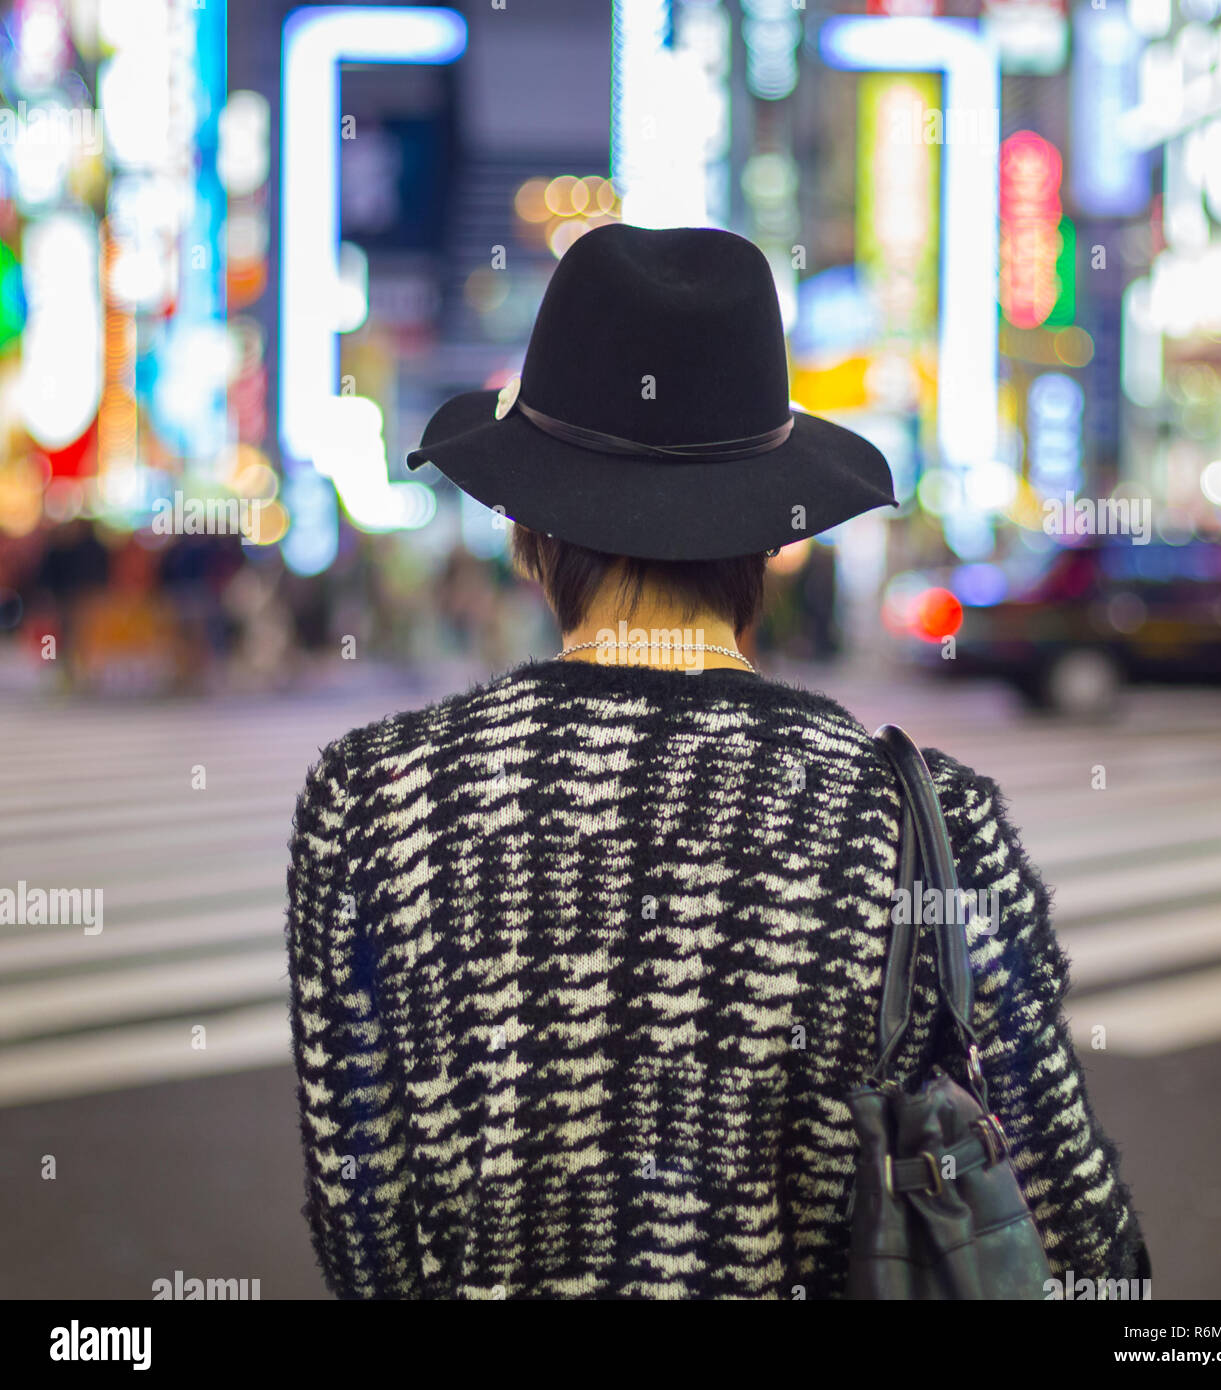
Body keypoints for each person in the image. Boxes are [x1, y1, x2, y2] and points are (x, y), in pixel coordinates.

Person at [285, 223, 1147, 1299]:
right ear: (769, 545)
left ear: (529, 534)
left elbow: (362, 1223)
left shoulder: (374, 801)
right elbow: (1074, 1229)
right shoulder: (920, 822)